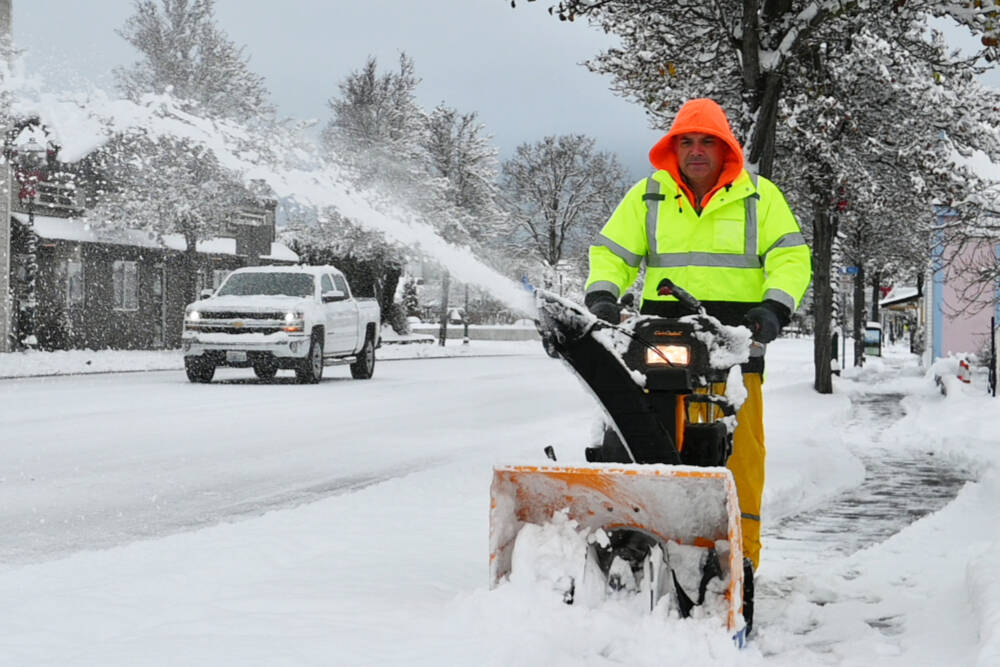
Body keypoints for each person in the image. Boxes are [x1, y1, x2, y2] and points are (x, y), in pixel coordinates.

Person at [584, 98, 812, 573]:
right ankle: (635, 541)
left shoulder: (759, 197)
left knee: (741, 457)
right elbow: (613, 253)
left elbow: (791, 259)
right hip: (657, 344)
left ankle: (740, 560)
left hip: (734, 346)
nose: (696, 151)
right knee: (642, 441)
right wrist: (604, 295)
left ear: (725, 146)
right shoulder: (649, 195)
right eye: (686, 142)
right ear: (673, 149)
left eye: (706, 141)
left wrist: (773, 308)